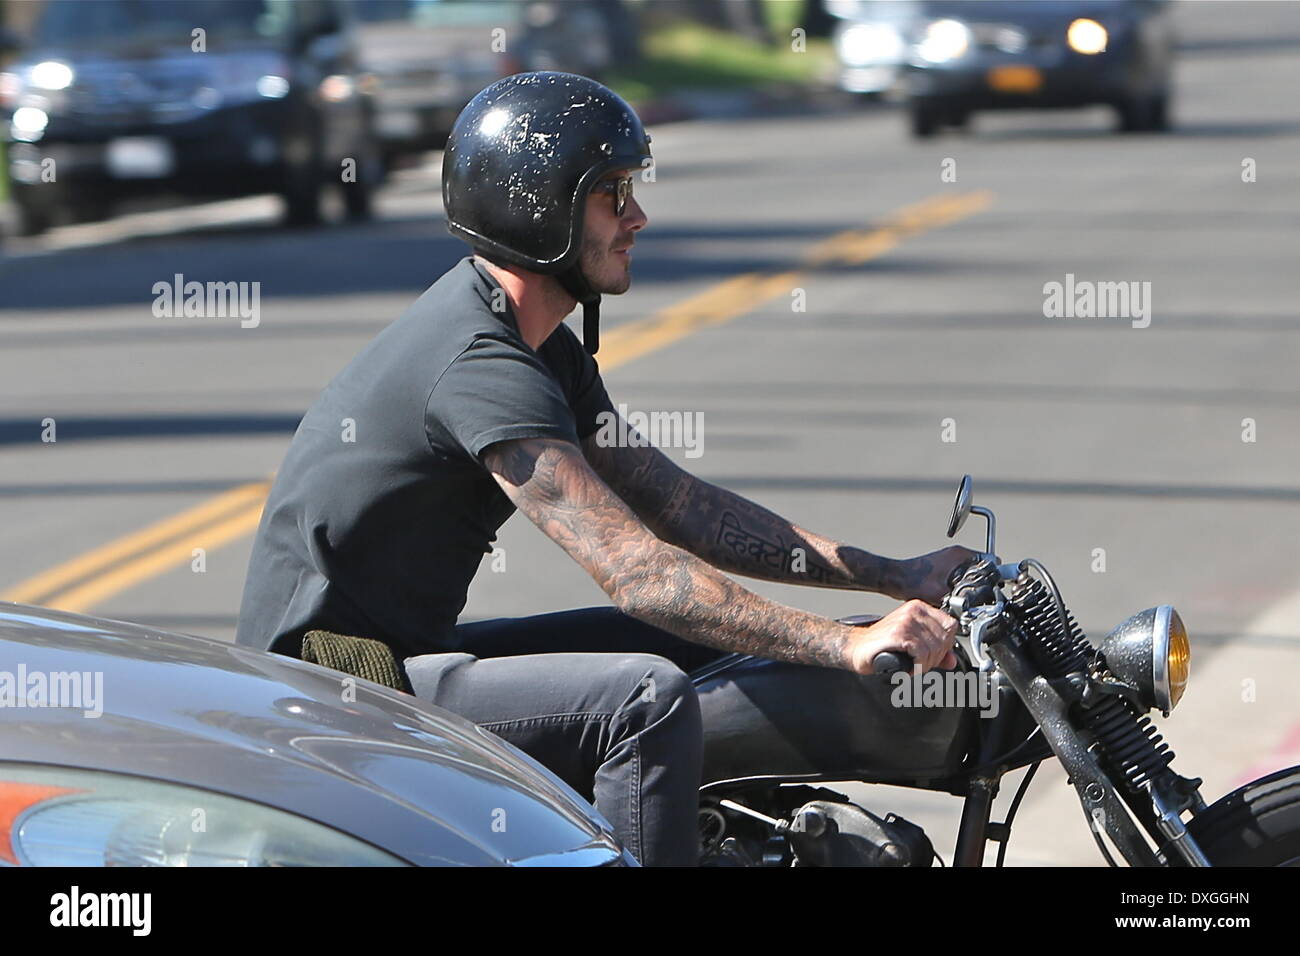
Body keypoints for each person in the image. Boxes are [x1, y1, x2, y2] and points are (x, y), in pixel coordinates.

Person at [236, 71, 972, 866]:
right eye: (611, 196)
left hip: (399, 657)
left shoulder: (540, 346)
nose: (636, 218)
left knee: (680, 649)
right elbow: (641, 573)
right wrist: (845, 646)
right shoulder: (482, 363)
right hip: (335, 692)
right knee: (643, 700)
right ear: (539, 210)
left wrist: (897, 575)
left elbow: (681, 507)